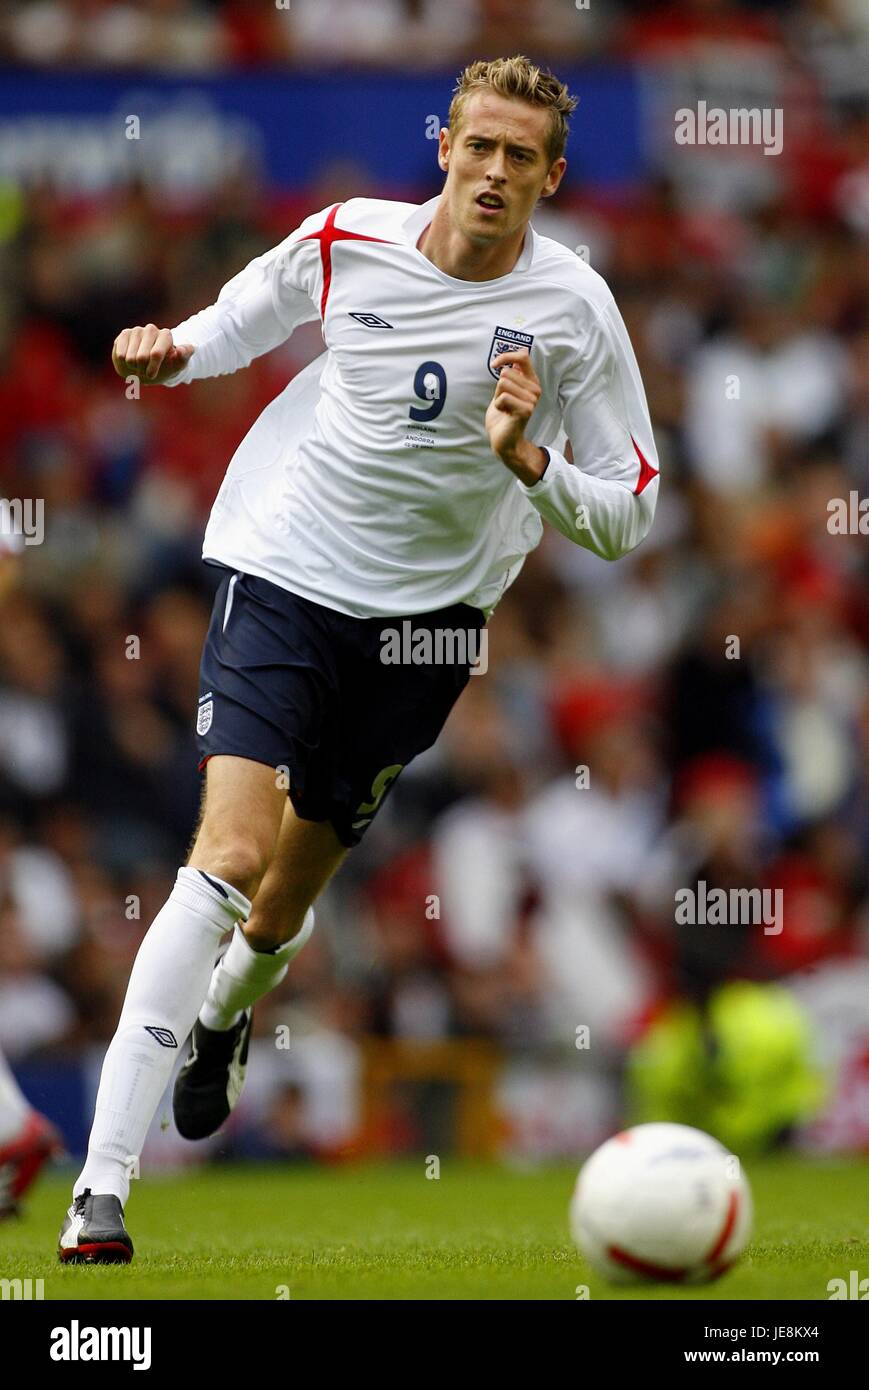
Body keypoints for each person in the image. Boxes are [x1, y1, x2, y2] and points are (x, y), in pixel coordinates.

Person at [59, 54, 659, 1263]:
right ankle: (102, 1187)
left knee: (281, 903)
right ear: (442, 144)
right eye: (477, 146)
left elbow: (632, 509)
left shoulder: (575, 309)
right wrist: (167, 348)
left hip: (424, 629)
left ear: (549, 176)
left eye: (520, 158)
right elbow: (244, 320)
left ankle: (227, 1014)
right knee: (226, 853)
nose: (493, 173)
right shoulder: (349, 239)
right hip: (281, 569)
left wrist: (528, 463)